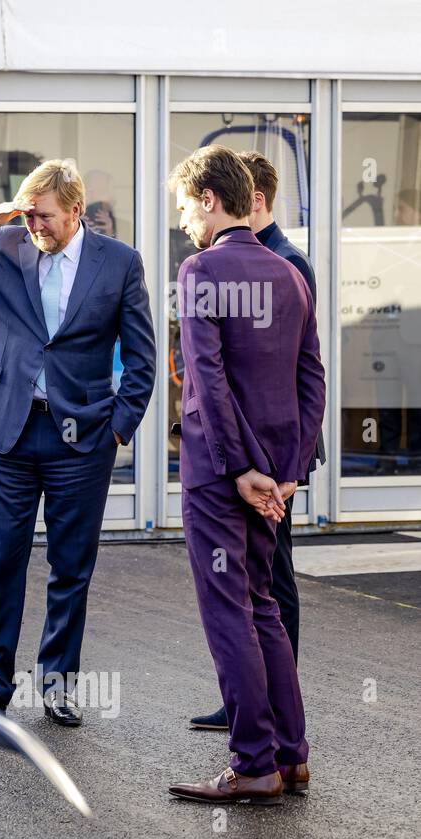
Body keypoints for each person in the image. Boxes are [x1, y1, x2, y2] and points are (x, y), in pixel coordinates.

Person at [0, 159, 155, 724]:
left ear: (75, 210)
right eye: (27, 216)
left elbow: (142, 359)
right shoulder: (4, 247)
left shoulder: (119, 263)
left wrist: (119, 427)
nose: (35, 228)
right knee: (2, 561)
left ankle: (58, 686)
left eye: (44, 217)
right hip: (9, 430)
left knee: (71, 567)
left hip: (83, 438)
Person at [166, 145, 325, 804]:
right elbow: (312, 378)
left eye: (185, 207)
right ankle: (291, 757)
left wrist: (236, 471)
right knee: (263, 609)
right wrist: (284, 474)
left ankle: (253, 763)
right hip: (270, 478)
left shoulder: (200, 270)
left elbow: (206, 378)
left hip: (219, 476)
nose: (184, 221)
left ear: (209, 199)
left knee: (230, 613)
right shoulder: (288, 275)